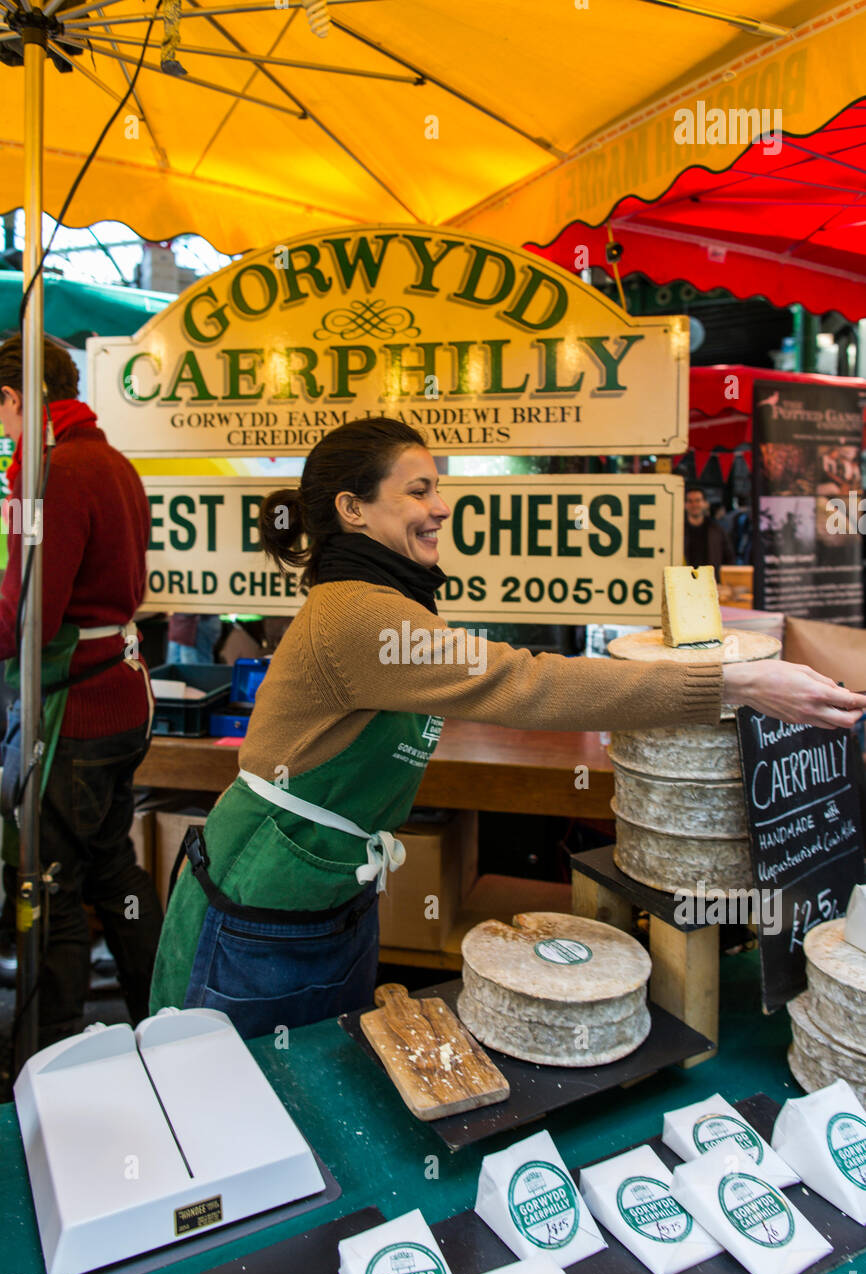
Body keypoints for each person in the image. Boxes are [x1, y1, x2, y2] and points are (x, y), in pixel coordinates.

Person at [149, 418, 866, 1038]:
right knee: (254, 1096)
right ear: (353, 509)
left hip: (323, 887)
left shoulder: (386, 601)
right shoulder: (357, 615)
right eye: (418, 490)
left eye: (439, 486)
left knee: (316, 1084)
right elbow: (527, 682)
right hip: (264, 899)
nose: (441, 506)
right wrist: (733, 682)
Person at [0, 334, 163, 1049]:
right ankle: (164, 1027)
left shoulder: (54, 470)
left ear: (13, 398)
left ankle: (51, 1057)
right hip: (123, 701)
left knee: (51, 882)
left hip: (79, 711)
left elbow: (27, 615)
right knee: (111, 869)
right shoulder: (112, 462)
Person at [684, 483, 734, 578]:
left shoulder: (717, 530)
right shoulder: (678, 532)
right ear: (685, 505)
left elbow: (729, 557)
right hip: (684, 581)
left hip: (711, 581)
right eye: (690, 501)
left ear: (705, 504)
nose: (694, 504)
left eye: (698, 500)